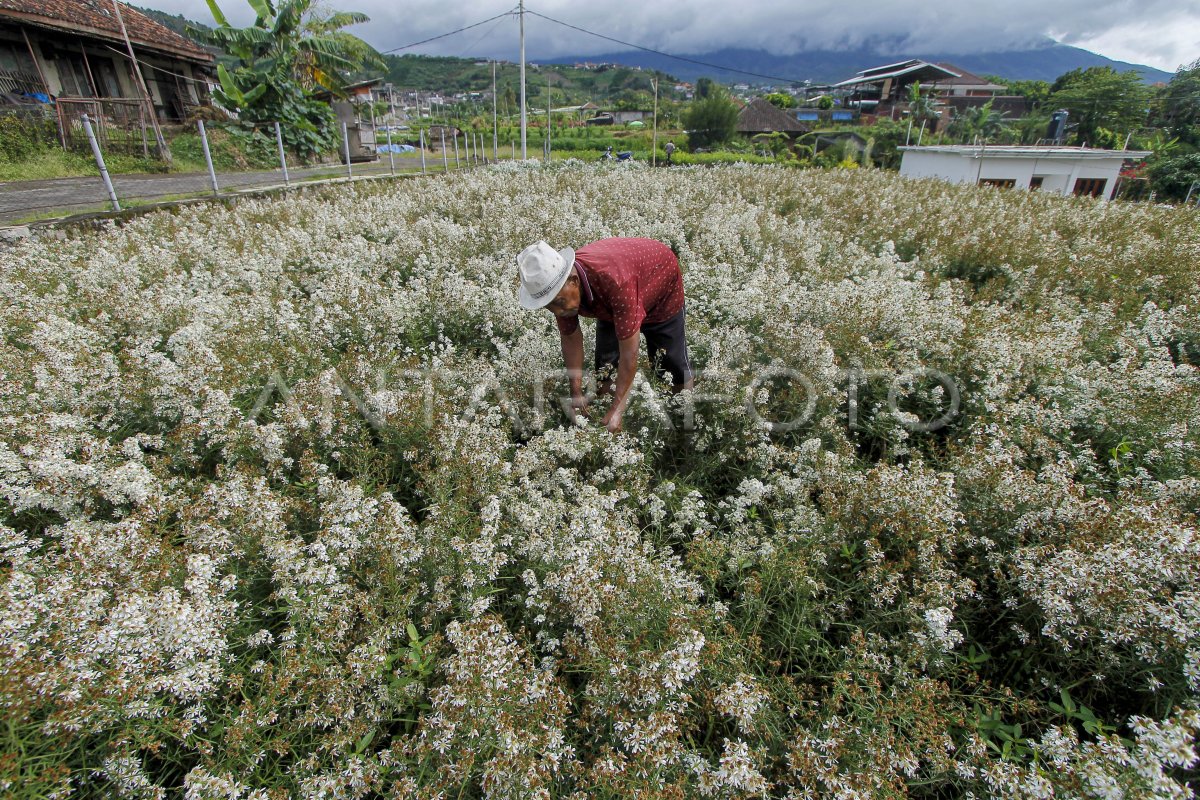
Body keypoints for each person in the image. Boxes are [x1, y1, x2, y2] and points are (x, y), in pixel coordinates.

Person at [517, 238, 693, 433]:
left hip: (659, 279)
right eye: (548, 306)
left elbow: (630, 353)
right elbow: (570, 338)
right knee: (605, 367)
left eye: (557, 302)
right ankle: (606, 421)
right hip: (615, 294)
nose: (557, 311)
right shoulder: (562, 295)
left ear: (574, 281)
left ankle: (682, 422)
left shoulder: (615, 282)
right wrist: (575, 393)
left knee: (671, 364)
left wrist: (619, 408)